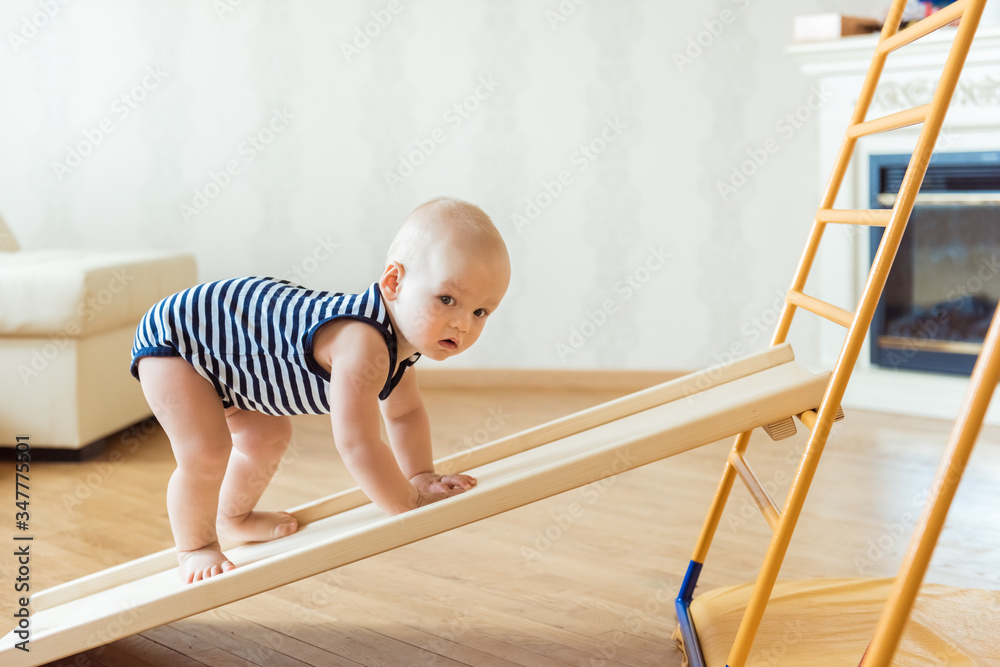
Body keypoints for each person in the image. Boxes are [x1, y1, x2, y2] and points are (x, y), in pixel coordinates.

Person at [130, 197, 511, 583]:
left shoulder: (400, 348)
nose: (462, 324)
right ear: (394, 282)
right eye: (447, 300)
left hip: (237, 364)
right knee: (206, 452)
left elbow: (404, 413)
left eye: (480, 312)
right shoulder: (362, 342)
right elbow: (357, 442)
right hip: (181, 338)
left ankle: (234, 518)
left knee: (268, 435)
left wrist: (421, 474)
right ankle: (195, 547)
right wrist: (407, 504)